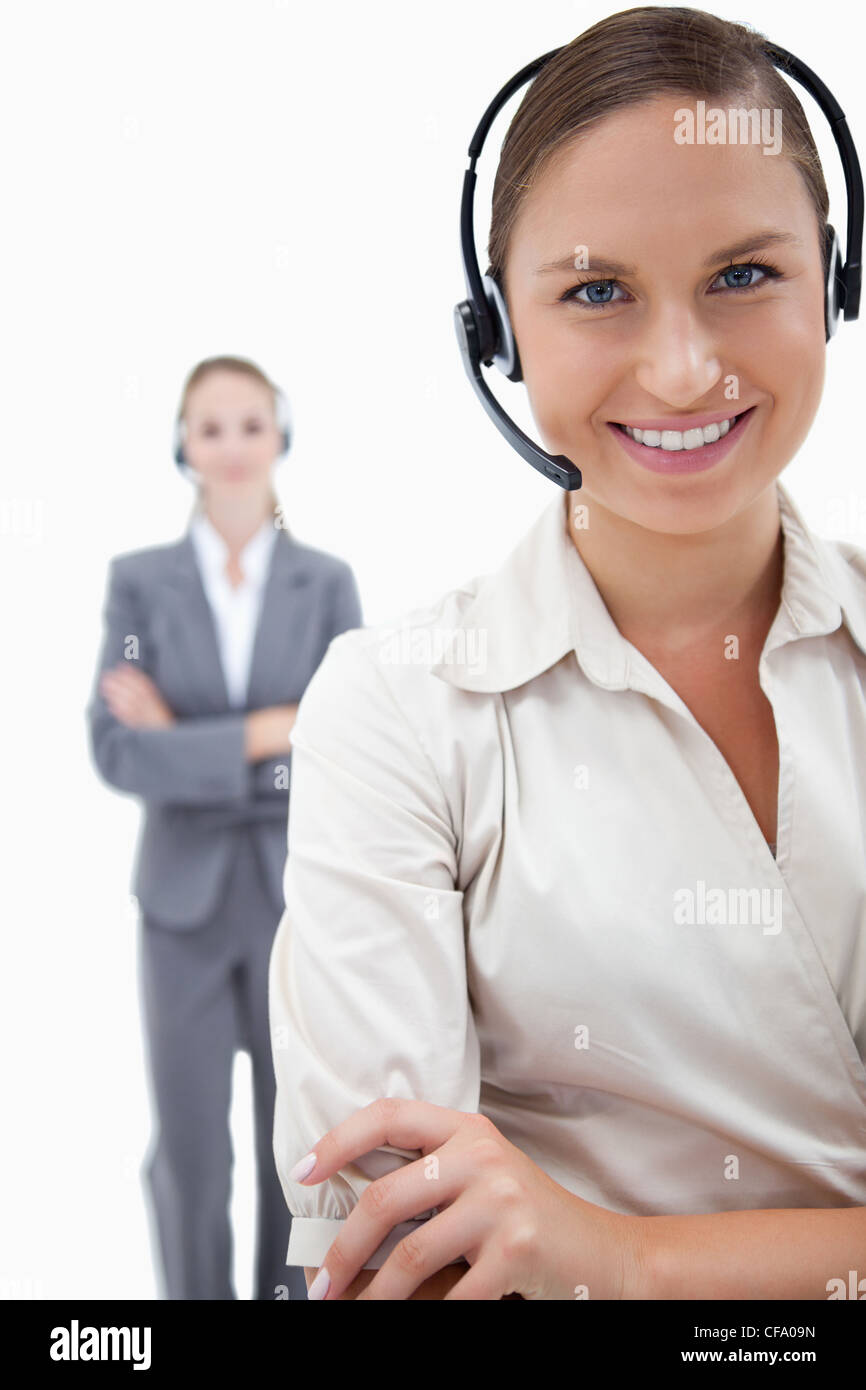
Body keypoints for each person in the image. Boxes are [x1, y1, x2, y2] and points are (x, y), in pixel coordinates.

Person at [269, 7, 866, 1301]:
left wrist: (624, 1252)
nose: (681, 365)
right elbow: (392, 1267)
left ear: (837, 275)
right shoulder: (398, 709)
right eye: (596, 291)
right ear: (498, 333)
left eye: (743, 274)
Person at [87, 355, 362, 1300]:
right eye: (211, 427)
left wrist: (190, 745)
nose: (233, 446)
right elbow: (117, 754)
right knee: (191, 1149)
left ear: (281, 435)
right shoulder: (139, 586)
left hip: (297, 903)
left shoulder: (327, 584)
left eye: (252, 424)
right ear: (183, 446)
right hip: (181, 910)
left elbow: (338, 747)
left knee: (302, 1150)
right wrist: (262, 737)